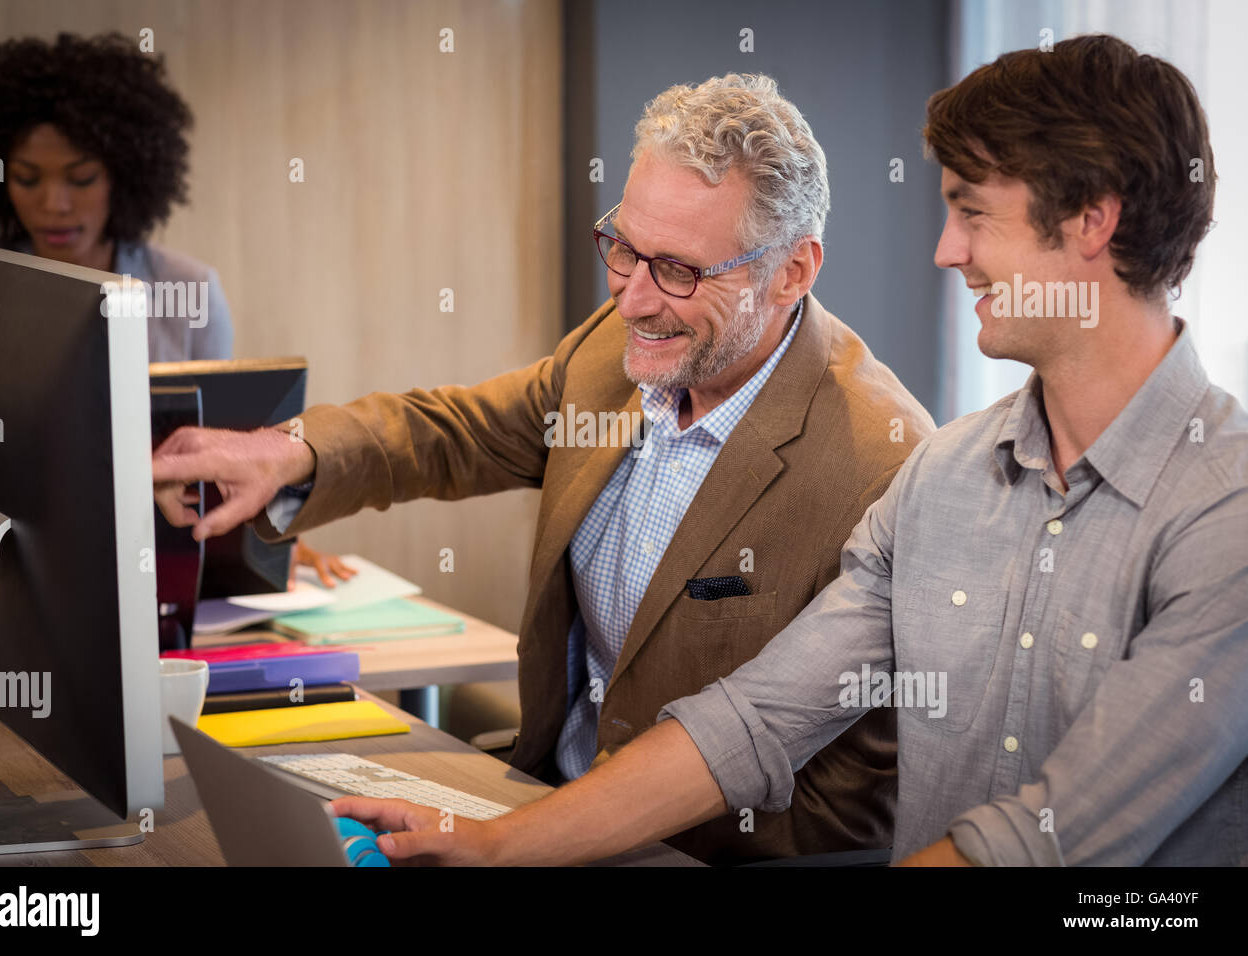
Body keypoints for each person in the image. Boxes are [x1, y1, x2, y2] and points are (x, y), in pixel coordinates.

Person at [313, 35, 1244, 866]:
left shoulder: (1225, 510)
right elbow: (752, 721)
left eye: (974, 212)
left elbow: (1060, 832)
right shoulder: (948, 479)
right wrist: (494, 846)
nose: (946, 250)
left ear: (1092, 221)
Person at [153, 74, 935, 863]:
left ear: (794, 271)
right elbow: (453, 431)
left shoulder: (881, 459)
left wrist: (550, 839)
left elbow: (850, 785)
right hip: (542, 808)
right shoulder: (616, 348)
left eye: (680, 270)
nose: (632, 300)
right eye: (624, 248)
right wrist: (291, 448)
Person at [0, 32, 347, 586]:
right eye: (26, 178)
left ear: (124, 172)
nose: (54, 203)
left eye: (81, 177)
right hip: (10, 579)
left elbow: (221, 459)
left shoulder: (191, 291)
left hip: (164, 578)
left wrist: (270, 542)